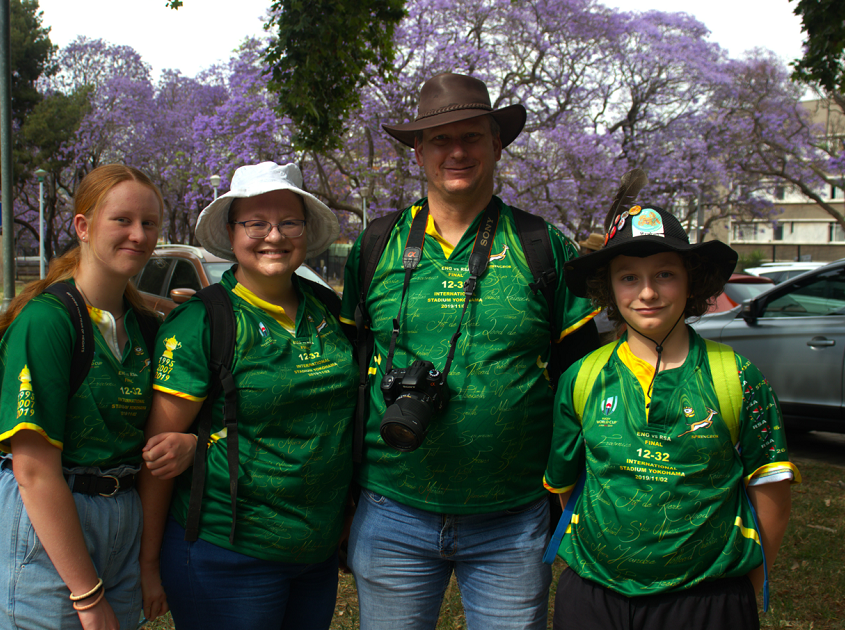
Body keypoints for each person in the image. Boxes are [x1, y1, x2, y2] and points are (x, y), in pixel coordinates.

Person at [340, 72, 599, 630]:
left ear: (496, 143)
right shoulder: (374, 246)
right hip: (392, 511)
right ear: (417, 151)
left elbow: (582, 381)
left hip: (513, 518)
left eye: (472, 137)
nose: (457, 151)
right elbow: (349, 368)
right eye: (440, 139)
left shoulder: (543, 245)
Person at [543, 189, 800, 630]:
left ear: (691, 281)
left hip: (706, 600)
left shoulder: (739, 377)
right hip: (593, 596)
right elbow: (568, 486)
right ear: (608, 287)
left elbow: (772, 490)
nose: (646, 292)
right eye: (628, 277)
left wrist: (749, 587)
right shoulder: (582, 378)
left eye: (664, 274)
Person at [137, 162, 356, 630]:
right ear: (233, 233)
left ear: (306, 229)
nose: (273, 236)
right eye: (255, 223)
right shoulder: (203, 322)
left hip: (314, 556)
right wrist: (148, 563)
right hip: (226, 554)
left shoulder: (331, 314)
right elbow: (157, 459)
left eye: (288, 222)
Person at [0, 164, 164, 630]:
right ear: (83, 226)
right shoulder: (48, 321)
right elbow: (33, 471)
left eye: (149, 223)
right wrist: (89, 598)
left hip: (122, 521)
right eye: (122, 220)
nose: (138, 234)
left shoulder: (143, 326)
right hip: (43, 526)